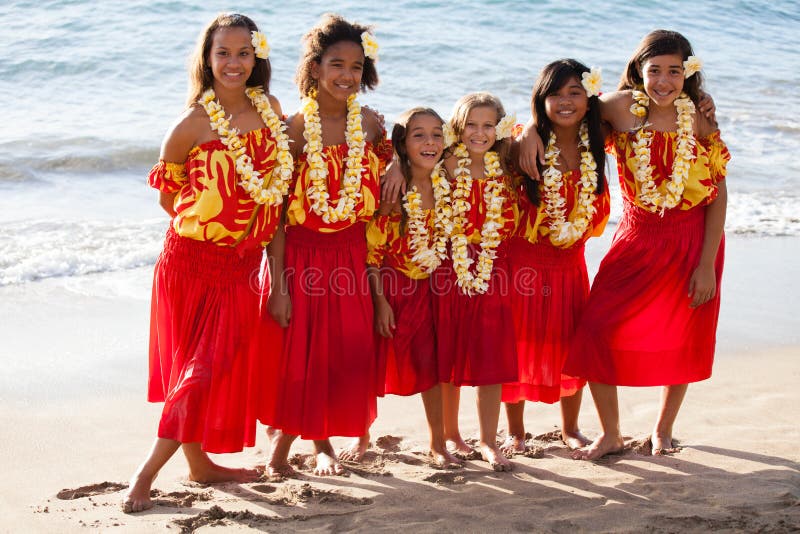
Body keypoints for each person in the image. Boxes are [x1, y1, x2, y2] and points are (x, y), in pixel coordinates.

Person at [525, 30, 728, 460]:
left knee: (682, 334)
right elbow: (565, 110)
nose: (664, 81)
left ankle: (663, 429)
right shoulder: (618, 108)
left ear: (688, 73)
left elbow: (718, 194)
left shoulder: (701, 118)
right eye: (655, 70)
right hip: (637, 235)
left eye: (675, 71)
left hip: (693, 239)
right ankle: (611, 433)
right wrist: (528, 130)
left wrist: (707, 262)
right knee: (597, 329)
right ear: (640, 71)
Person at [123, 13, 292, 513]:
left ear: (257, 57)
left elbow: (275, 205)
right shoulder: (191, 125)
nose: (234, 62)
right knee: (196, 371)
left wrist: (276, 280)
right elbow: (168, 201)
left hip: (241, 269)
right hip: (189, 265)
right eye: (224, 53)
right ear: (207, 58)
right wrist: (214, 231)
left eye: (244, 53)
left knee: (204, 370)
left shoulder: (272, 112)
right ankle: (146, 474)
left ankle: (198, 466)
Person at [262, 13, 393, 477]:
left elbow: (393, 184)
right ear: (315, 68)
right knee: (302, 358)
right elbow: (274, 216)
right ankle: (297, 448)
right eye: (337, 64)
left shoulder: (373, 129)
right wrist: (278, 284)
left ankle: (322, 441)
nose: (347, 75)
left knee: (343, 354)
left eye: (356, 66)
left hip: (352, 256)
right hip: (301, 257)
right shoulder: (294, 130)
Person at [501, 59, 610, 456]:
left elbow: (635, 102)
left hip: (569, 266)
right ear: (540, 99)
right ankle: (515, 431)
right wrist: (529, 127)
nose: (565, 101)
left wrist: (700, 98)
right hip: (522, 263)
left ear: (589, 98)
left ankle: (570, 427)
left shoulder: (598, 139)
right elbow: (470, 147)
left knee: (569, 347)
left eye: (575, 92)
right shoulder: (521, 142)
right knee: (517, 345)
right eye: (555, 93)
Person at [363, 107, 463, 468]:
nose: (431, 142)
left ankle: (438, 442)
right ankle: (361, 437)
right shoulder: (393, 187)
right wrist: (380, 303)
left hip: (430, 287)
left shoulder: (448, 179)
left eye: (437, 134)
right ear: (403, 144)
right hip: (389, 284)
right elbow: (372, 251)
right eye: (419, 135)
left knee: (430, 366)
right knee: (371, 364)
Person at [433, 92, 519, 471]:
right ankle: (450, 434)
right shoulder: (448, 162)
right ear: (458, 126)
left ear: (499, 128)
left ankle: (488, 440)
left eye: (487, 125)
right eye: (471, 124)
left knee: (491, 355)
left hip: (494, 267)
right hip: (449, 266)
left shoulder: (508, 165)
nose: (479, 133)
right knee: (448, 352)